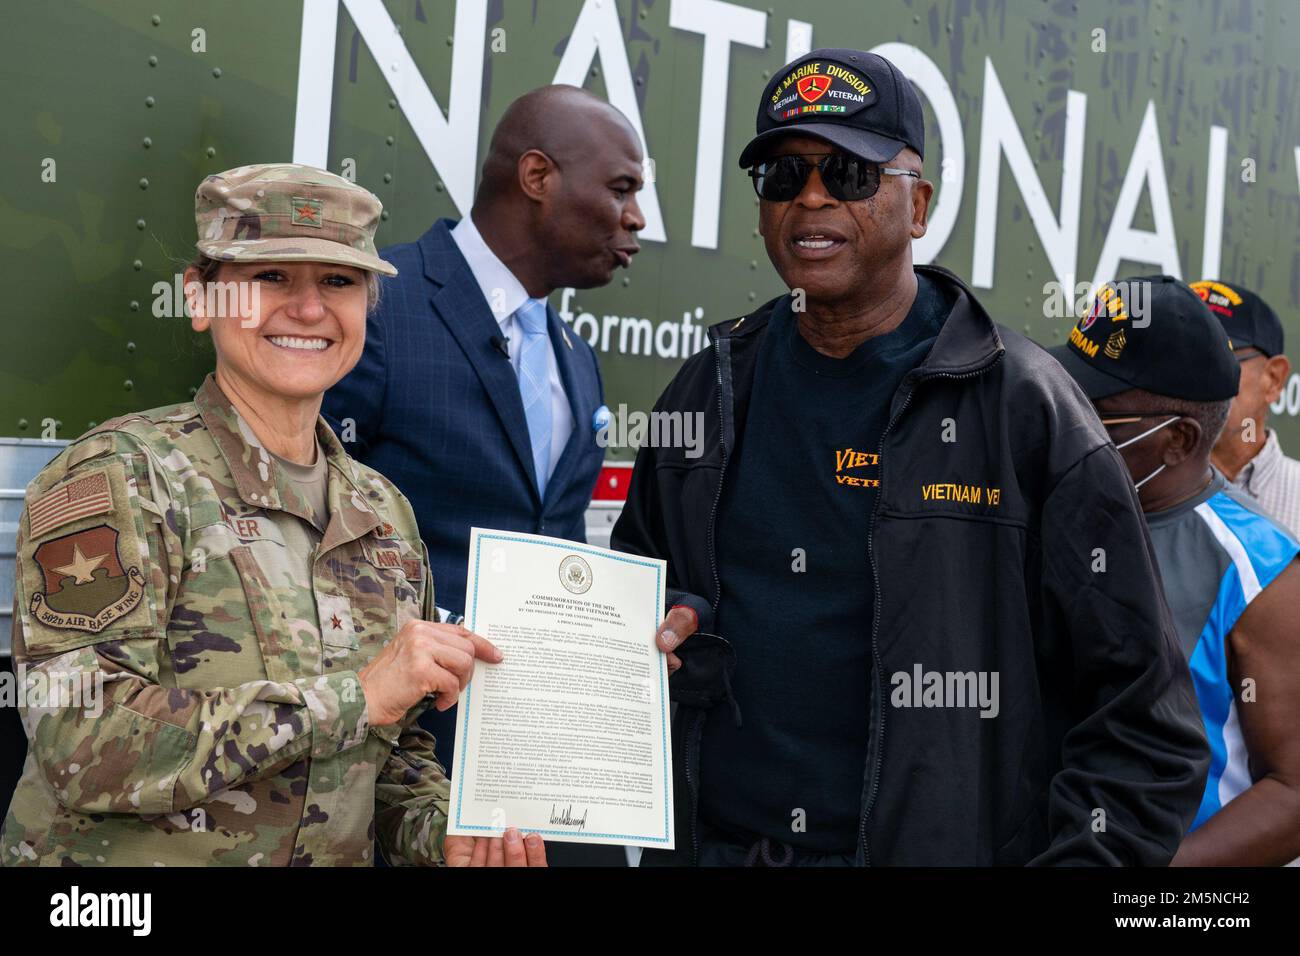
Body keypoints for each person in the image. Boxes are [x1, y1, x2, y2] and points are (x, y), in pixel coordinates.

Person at [611, 48, 1208, 866]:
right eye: (784, 175)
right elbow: (635, 607)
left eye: (850, 174)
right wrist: (683, 619)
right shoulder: (708, 391)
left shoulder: (1026, 410)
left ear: (917, 204)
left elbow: (1146, 724)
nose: (812, 198)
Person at [1, 164, 545, 867]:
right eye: (270, 278)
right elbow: (81, 738)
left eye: (338, 282)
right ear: (199, 299)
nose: (309, 309)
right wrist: (354, 697)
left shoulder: (384, 515)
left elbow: (393, 753)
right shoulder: (121, 477)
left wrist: (445, 835)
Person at [323, 85, 645, 866]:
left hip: (550, 781)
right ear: (537, 177)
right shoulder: (380, 308)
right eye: (622, 188)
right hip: (405, 783)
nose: (637, 219)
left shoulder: (575, 358)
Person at [1050, 275, 1300, 866]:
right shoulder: (1049, 513)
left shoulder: (1261, 573)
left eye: (1097, 415)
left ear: (1176, 439)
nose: (1069, 422)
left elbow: (1291, 792)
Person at [1193, 279, 1300, 539]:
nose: (1190, 377)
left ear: (1273, 379)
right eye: (1176, 357)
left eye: (1217, 359)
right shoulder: (1141, 484)